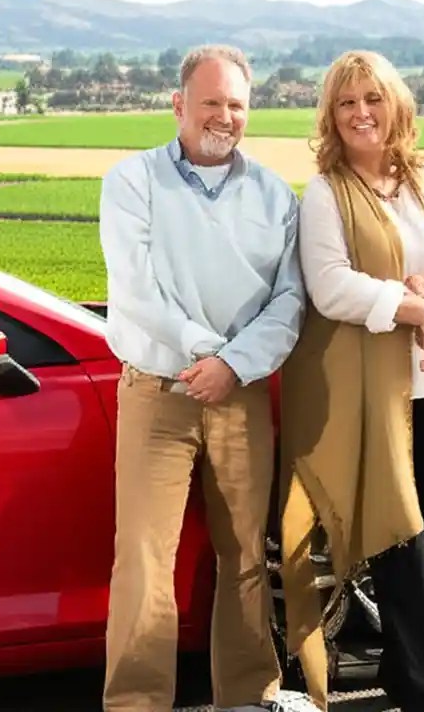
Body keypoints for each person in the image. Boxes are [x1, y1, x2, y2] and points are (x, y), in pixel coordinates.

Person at [277, 49, 424, 712]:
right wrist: (418, 306)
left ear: (395, 105)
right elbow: (332, 286)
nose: (361, 113)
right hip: (374, 396)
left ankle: (411, 674)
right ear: (331, 117)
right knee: (400, 538)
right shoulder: (326, 193)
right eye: (347, 104)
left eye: (372, 99)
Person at [98, 44, 306, 712]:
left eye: (237, 104)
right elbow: (136, 290)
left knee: (245, 554)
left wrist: (233, 366)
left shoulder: (276, 196)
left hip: (239, 394)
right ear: (178, 104)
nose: (224, 116)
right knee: (143, 558)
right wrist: (206, 354)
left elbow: (290, 304)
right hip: (159, 392)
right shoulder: (131, 181)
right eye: (211, 102)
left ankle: (249, 697)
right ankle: (136, 703)